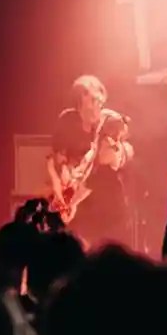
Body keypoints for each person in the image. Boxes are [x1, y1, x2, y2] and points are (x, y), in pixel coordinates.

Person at [47, 75, 134, 248]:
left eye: (99, 101)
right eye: (92, 101)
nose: (96, 106)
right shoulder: (67, 120)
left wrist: (72, 202)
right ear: (79, 102)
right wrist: (62, 174)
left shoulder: (108, 122)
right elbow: (56, 154)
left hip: (106, 204)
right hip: (78, 204)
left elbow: (99, 169)